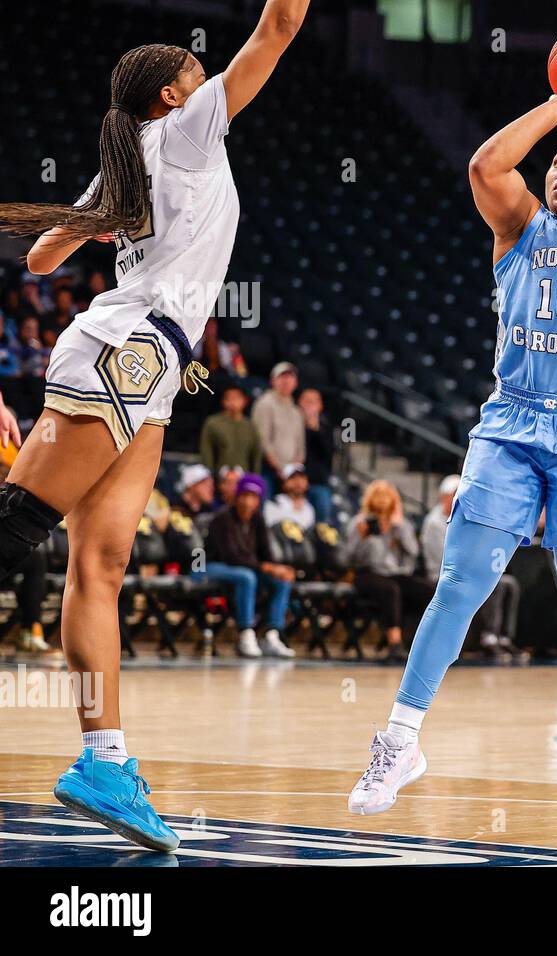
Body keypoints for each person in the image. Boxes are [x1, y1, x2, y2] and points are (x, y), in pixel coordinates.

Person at [0, 1, 310, 852]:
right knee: (16, 526)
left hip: (151, 370)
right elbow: (278, 26)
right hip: (124, 351)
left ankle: (104, 762)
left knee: (102, 566)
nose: (210, 82)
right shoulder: (183, 135)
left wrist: (94, 220)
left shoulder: (123, 164)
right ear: (173, 96)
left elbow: (39, 259)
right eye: (197, 75)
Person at [348, 23, 557, 858]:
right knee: (461, 584)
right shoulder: (519, 227)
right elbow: (486, 166)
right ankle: (400, 740)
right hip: (513, 424)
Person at [420, 474, 521, 659]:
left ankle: (505, 637)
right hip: (442, 574)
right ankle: (489, 636)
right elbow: (442, 557)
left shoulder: (467, 520)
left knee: (509, 583)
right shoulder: (434, 522)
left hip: (468, 571)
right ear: (445, 497)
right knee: (494, 585)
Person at [202, 473, 296, 660]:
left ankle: (272, 635)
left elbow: (266, 553)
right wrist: (267, 568)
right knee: (247, 577)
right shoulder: (222, 518)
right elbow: (231, 556)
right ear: (237, 496)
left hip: (246, 568)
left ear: (259, 500)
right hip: (210, 566)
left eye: (253, 497)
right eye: (245, 495)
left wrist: (278, 569)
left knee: (281, 582)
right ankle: (245, 633)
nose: (248, 501)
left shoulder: (258, 520)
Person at [341, 480, 434, 664]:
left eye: (387, 496)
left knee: (428, 590)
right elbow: (349, 558)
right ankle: (394, 644)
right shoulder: (360, 522)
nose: (383, 500)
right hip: (365, 573)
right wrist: (362, 537)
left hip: (393, 573)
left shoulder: (400, 524)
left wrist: (399, 527)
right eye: (379, 496)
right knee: (390, 589)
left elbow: (414, 551)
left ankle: (423, 643)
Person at [251, 361, 304, 491]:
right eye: (282, 376)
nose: (286, 381)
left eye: (290, 377)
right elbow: (262, 441)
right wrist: (280, 468)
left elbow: (300, 444)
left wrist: (294, 469)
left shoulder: (296, 411)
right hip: (267, 469)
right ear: (273, 381)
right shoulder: (264, 404)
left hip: (291, 472)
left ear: (295, 383)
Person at [200, 384, 262, 475]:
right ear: (223, 401)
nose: (233, 402)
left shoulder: (250, 426)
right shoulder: (213, 423)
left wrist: (255, 476)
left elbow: (256, 455)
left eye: (237, 398)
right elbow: (206, 452)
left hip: (244, 477)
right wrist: (209, 475)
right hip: (219, 476)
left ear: (244, 401)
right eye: (229, 398)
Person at [298, 387, 334, 524]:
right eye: (307, 401)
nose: (310, 406)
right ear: (299, 403)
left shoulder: (326, 426)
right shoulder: (293, 423)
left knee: (322, 521)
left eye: (314, 402)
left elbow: (328, 453)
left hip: (319, 482)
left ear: (320, 405)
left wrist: (316, 430)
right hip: (296, 484)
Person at [263, 462, 315, 530]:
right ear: (284, 483)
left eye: (302, 477)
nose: (298, 481)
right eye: (293, 477)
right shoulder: (273, 503)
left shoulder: (310, 509)